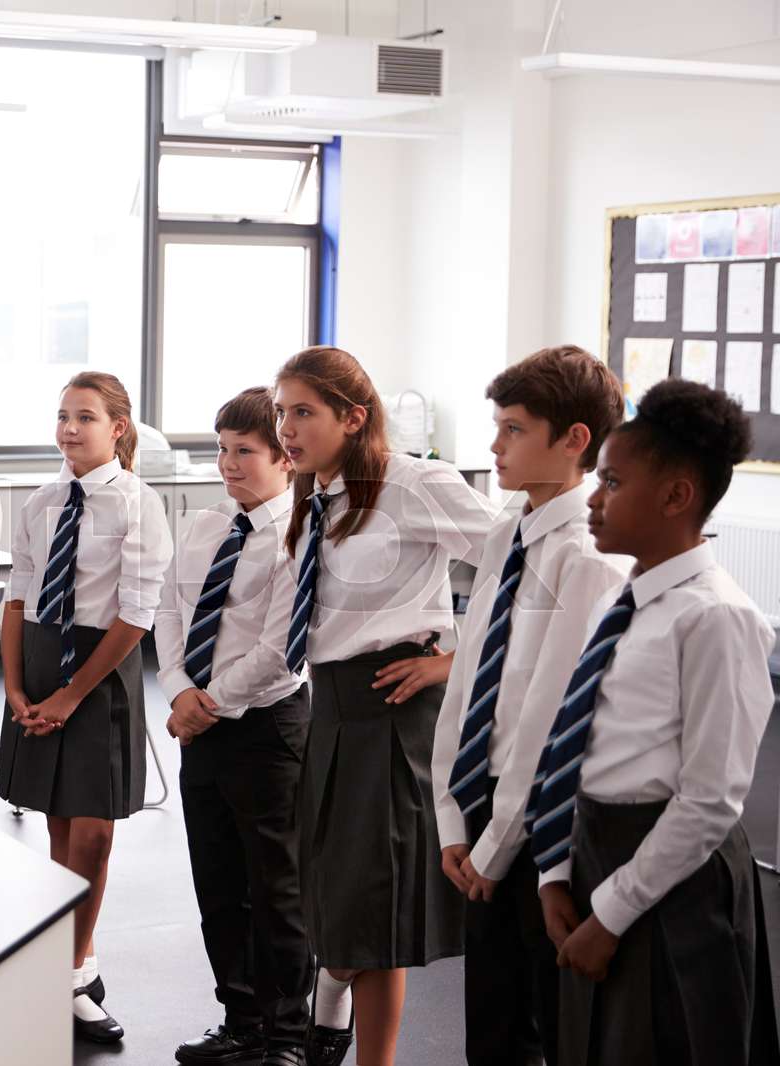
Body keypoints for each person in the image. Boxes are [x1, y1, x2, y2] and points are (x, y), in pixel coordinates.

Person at [532, 379, 776, 1066]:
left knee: (670, 1039)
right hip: (597, 848)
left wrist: (611, 912)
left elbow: (710, 799)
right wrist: (555, 869)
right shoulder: (627, 600)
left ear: (676, 497)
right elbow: (577, 742)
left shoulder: (716, 617)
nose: (594, 498)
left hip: (675, 875)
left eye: (611, 480)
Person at [272, 346, 496, 1066]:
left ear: (353, 416)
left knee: (379, 913)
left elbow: (521, 567)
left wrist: (452, 661)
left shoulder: (414, 484)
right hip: (328, 711)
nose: (287, 427)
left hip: (394, 712)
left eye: (303, 411)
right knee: (334, 896)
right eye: (281, 411)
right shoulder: (313, 492)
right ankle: (330, 1002)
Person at [429, 345, 628, 1066]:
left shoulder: (590, 555)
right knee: (489, 1021)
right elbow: (470, 673)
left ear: (575, 440)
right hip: (482, 813)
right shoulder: (509, 531)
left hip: (540, 830)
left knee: (538, 1027)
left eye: (513, 429)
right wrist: (453, 813)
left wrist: (496, 844)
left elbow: (551, 720)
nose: (494, 445)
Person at [0, 371, 173, 1045]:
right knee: (59, 825)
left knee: (95, 833)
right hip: (40, 658)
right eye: (64, 416)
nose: (71, 428)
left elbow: (136, 614)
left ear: (117, 428)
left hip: (100, 670)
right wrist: (14, 687)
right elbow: (18, 597)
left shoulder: (136, 504)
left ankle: (67, 974)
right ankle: (73, 961)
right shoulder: (42, 501)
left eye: (87, 417)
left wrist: (71, 696)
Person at [155, 387, 313, 1066]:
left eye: (243, 452)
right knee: (217, 885)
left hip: (266, 727)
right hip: (202, 724)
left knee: (274, 888)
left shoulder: (301, 534)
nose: (227, 465)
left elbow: (282, 650)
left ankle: (287, 1035)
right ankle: (241, 1021)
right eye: (221, 450)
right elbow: (169, 609)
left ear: (284, 457)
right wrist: (179, 690)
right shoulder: (206, 524)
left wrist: (206, 701)